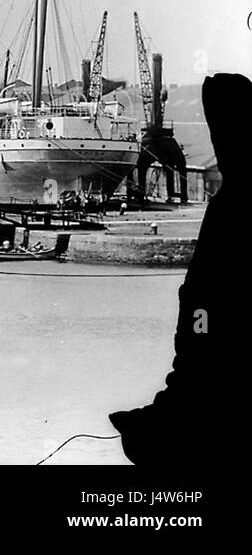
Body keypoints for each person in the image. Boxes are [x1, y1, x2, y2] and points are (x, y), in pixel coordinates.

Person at [108, 73, 246, 465]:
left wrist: (202, 325)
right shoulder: (231, 200)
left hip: (210, 355)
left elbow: (203, 308)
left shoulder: (228, 206)